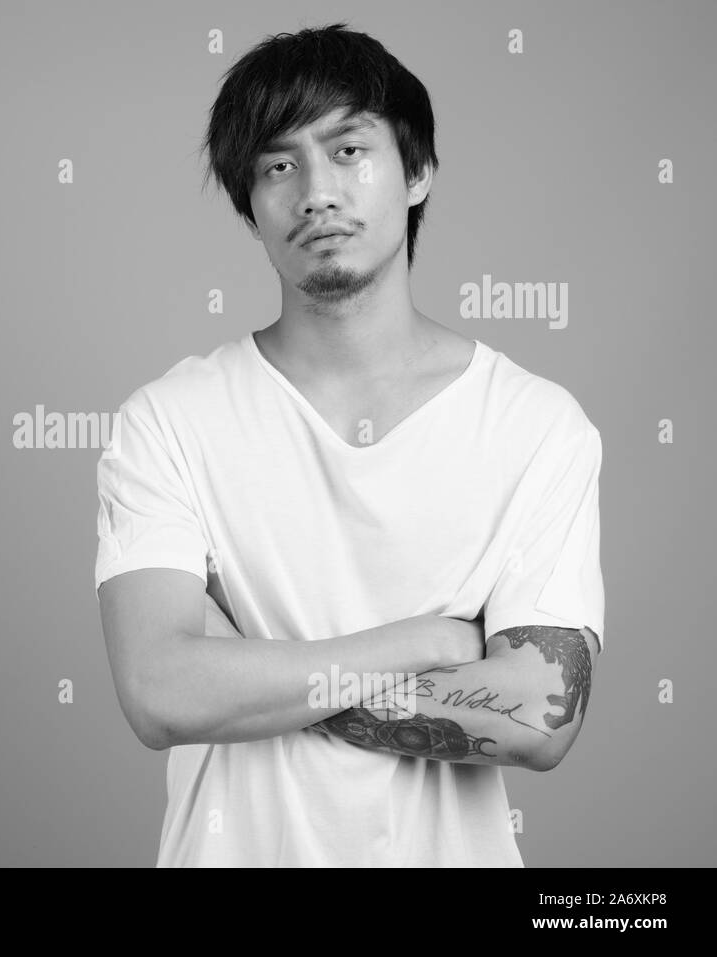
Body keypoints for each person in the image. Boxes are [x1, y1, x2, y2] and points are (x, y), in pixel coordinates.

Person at [94, 23, 604, 867]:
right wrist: (426, 640)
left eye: (349, 149)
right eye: (278, 165)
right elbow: (159, 696)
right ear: (249, 206)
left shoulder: (536, 424)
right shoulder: (168, 420)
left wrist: (242, 675)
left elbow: (541, 714)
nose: (317, 193)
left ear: (417, 171)